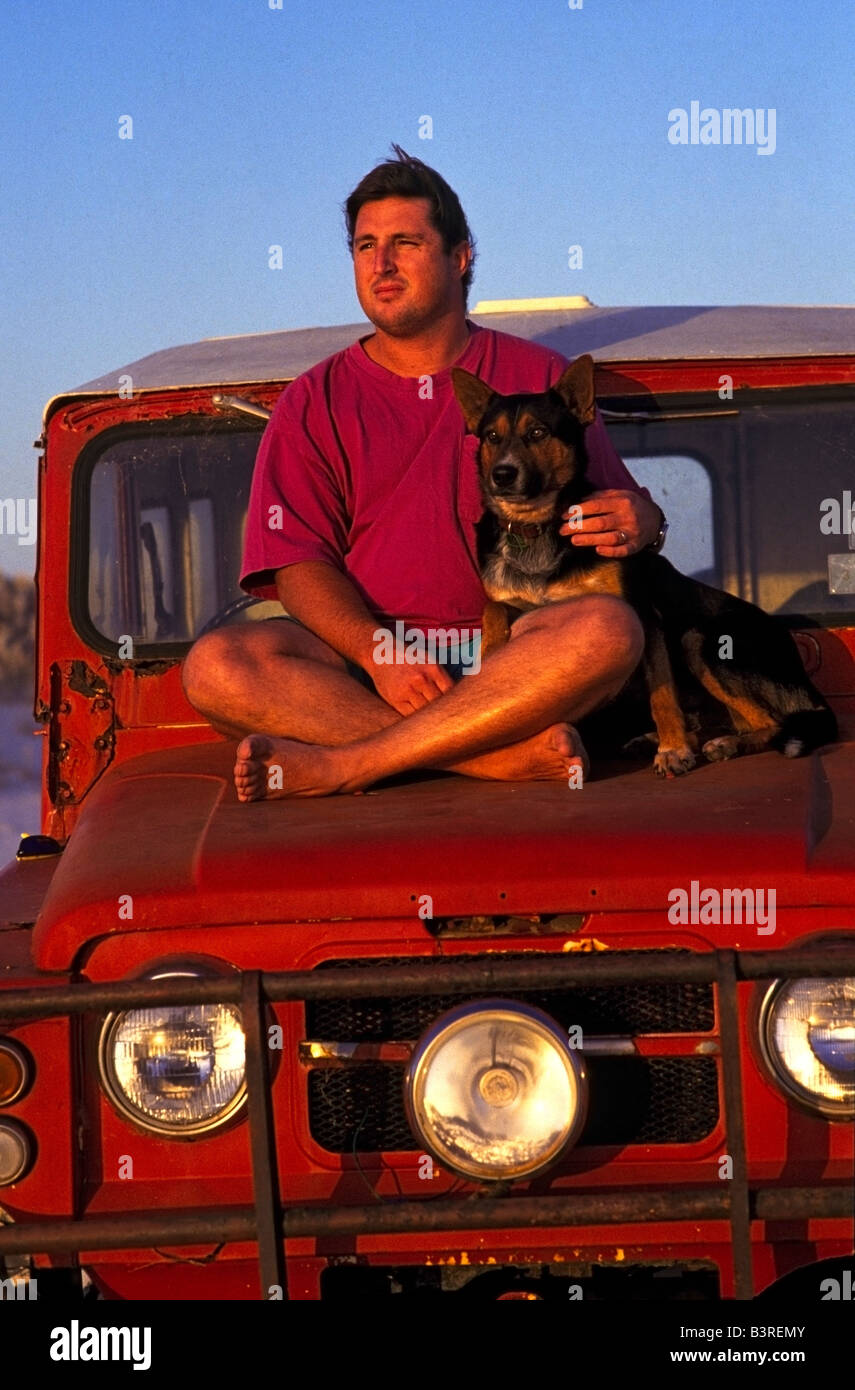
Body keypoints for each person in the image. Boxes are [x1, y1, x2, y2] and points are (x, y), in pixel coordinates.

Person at [181, 147, 664, 800]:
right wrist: (381, 655)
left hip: (519, 654)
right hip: (368, 666)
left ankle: (350, 765)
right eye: (365, 246)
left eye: (404, 242)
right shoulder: (311, 402)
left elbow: (622, 515)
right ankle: (492, 761)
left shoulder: (541, 376)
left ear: (460, 256)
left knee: (608, 629)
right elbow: (296, 566)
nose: (380, 263)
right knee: (218, 666)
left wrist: (644, 520)